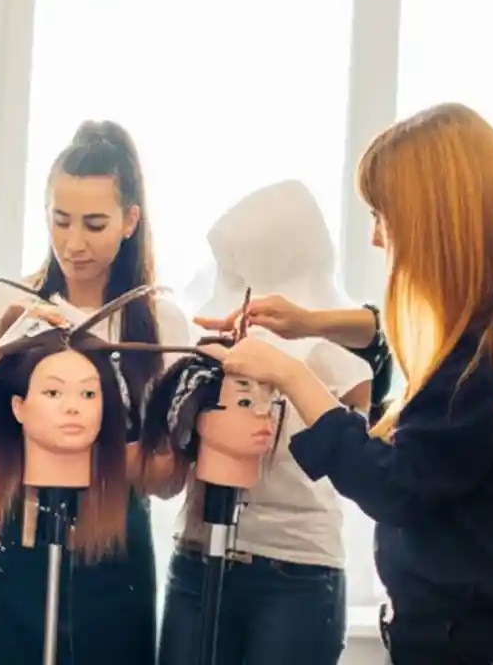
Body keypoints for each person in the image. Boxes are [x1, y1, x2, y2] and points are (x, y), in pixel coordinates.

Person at [201, 103, 493, 664]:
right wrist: (312, 322)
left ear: (435, 215)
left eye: (383, 215)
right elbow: (434, 399)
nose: (378, 239)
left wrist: (290, 372)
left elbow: (397, 485)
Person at [0, 121, 192, 664]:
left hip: (112, 558)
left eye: (94, 224)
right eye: (60, 220)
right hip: (3, 549)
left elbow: (167, 479)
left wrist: (91, 452)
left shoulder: (162, 323)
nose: (73, 243)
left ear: (130, 221)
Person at [157, 180, 374, 665]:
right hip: (198, 553)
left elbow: (363, 437)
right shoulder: (206, 335)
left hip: (295, 569)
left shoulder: (333, 345)